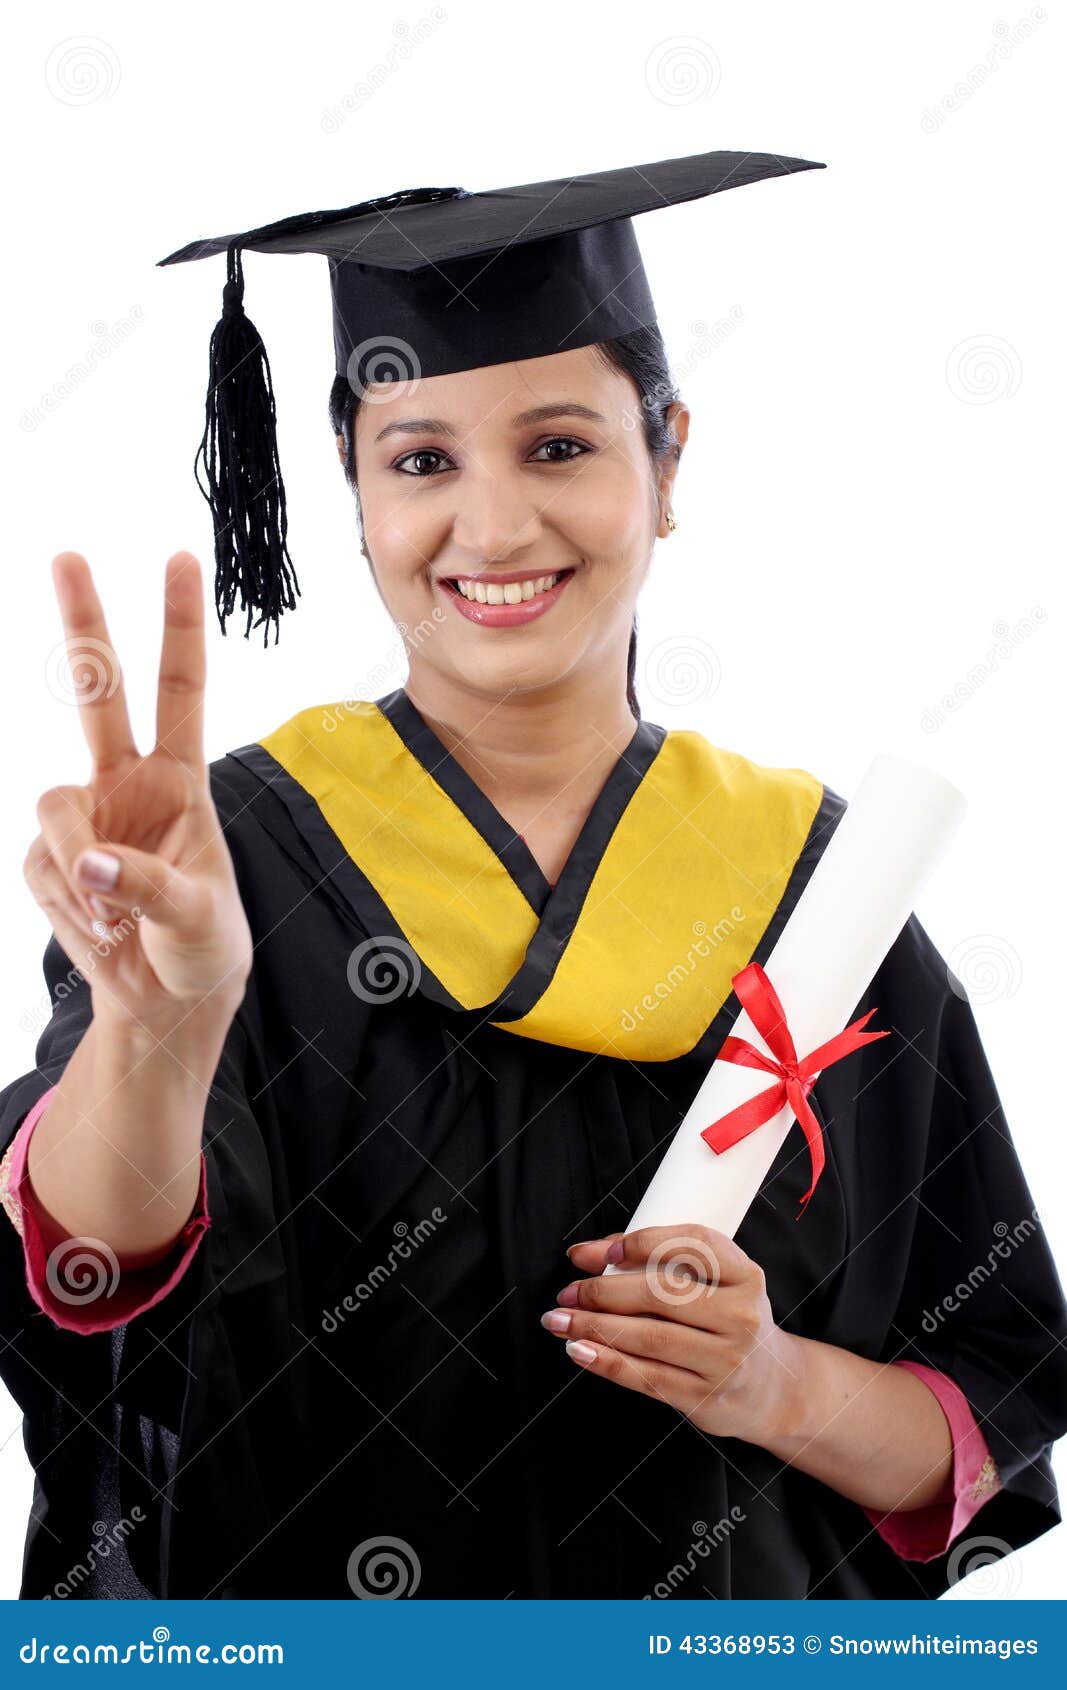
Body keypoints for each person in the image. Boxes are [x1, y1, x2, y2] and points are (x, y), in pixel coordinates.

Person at [2, 152, 1066, 1601]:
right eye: (422, 458)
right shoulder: (223, 858)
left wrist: (773, 1385)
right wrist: (157, 1029)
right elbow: (87, 1287)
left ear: (668, 457)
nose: (492, 528)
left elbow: (985, 1409)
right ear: (355, 491)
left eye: (559, 446)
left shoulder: (822, 891)